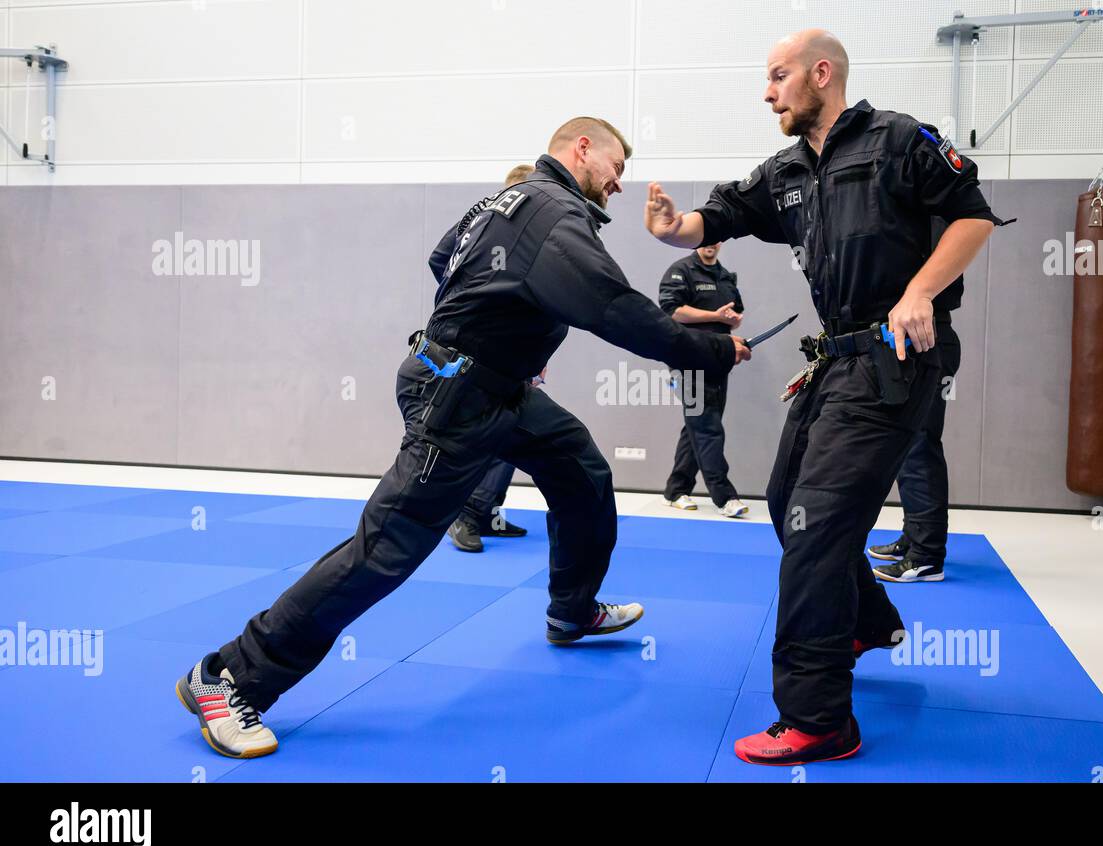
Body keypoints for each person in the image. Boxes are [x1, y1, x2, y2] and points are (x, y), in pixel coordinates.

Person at [176, 117, 751, 759]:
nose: (620, 182)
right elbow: (615, 310)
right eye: (617, 165)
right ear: (581, 148)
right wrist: (711, 352)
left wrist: (501, 320)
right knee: (384, 550)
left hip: (500, 389)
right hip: (457, 397)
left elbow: (441, 258)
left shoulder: (504, 202)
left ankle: (571, 609)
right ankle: (230, 677)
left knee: (580, 470)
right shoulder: (555, 212)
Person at [645, 30, 1004, 765]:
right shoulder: (785, 171)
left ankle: (819, 718)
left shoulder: (899, 140)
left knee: (815, 529)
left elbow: (971, 216)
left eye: (777, 77)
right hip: (837, 358)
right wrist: (675, 229)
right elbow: (723, 217)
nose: (768, 92)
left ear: (821, 73)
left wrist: (918, 293)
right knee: (786, 500)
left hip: (898, 355)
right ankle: (867, 620)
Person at [438, 163, 537, 554]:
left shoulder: (483, 215)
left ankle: (486, 512)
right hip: (483, 347)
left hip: (502, 344)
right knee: (490, 430)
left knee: (508, 429)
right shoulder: (501, 220)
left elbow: (438, 260)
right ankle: (466, 513)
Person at [868, 217, 964, 582]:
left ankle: (926, 555)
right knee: (910, 446)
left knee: (921, 444)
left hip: (928, 335)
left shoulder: (936, 215)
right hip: (911, 336)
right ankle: (914, 538)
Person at [658, 241, 749, 518]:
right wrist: (715, 315)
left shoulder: (725, 276)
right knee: (707, 428)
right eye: (705, 238)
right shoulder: (681, 271)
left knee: (697, 427)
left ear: (721, 242)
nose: (710, 243)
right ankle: (724, 497)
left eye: (716, 238)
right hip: (688, 362)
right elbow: (672, 311)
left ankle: (676, 490)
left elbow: (735, 316)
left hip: (719, 363)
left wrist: (733, 321)